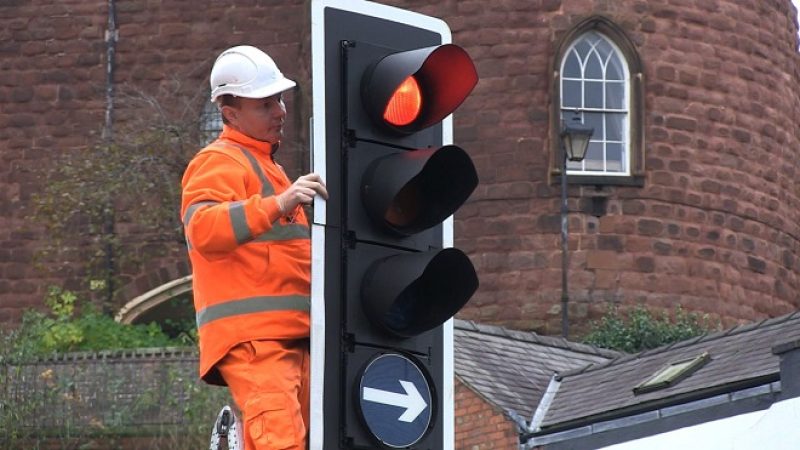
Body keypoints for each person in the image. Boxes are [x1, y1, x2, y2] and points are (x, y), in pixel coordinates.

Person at [181, 45, 327, 450]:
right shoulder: (219, 160)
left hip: (293, 339)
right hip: (256, 341)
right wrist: (280, 204)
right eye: (265, 104)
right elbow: (203, 229)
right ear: (230, 114)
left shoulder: (270, 169)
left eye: (279, 99)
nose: (280, 111)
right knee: (282, 442)